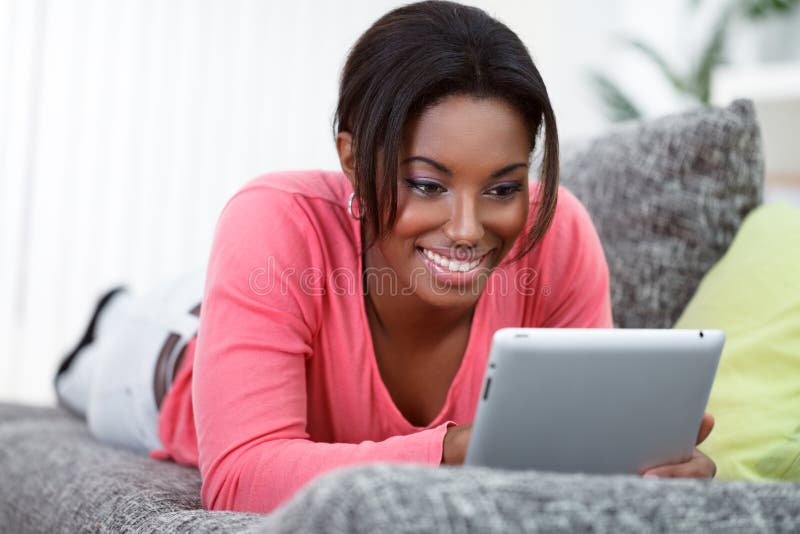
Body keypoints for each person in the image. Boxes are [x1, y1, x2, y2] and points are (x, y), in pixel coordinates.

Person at [54, 0, 716, 515]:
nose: (467, 227)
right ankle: (110, 319)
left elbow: (578, 451)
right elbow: (238, 476)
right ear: (351, 160)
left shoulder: (557, 234)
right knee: (98, 359)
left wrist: (646, 469)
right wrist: (459, 450)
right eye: (426, 183)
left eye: (503, 188)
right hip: (167, 358)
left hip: (257, 300)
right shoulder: (272, 217)